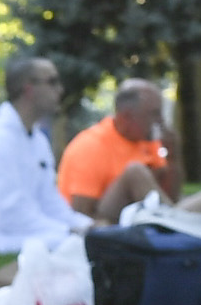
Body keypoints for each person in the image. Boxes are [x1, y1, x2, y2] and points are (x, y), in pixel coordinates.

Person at [0, 53, 91, 258]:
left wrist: (85, 226)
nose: (60, 90)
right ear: (28, 89)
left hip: (26, 232)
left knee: (87, 241)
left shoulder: (37, 139)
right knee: (78, 246)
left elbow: (49, 200)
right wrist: (68, 233)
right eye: (52, 82)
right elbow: (10, 215)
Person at [60, 77, 180, 220]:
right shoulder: (91, 145)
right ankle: (177, 225)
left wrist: (173, 156)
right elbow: (81, 213)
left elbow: (169, 198)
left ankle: (180, 226)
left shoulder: (148, 141)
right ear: (127, 117)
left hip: (146, 217)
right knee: (135, 172)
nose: (160, 120)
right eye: (154, 113)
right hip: (101, 224)